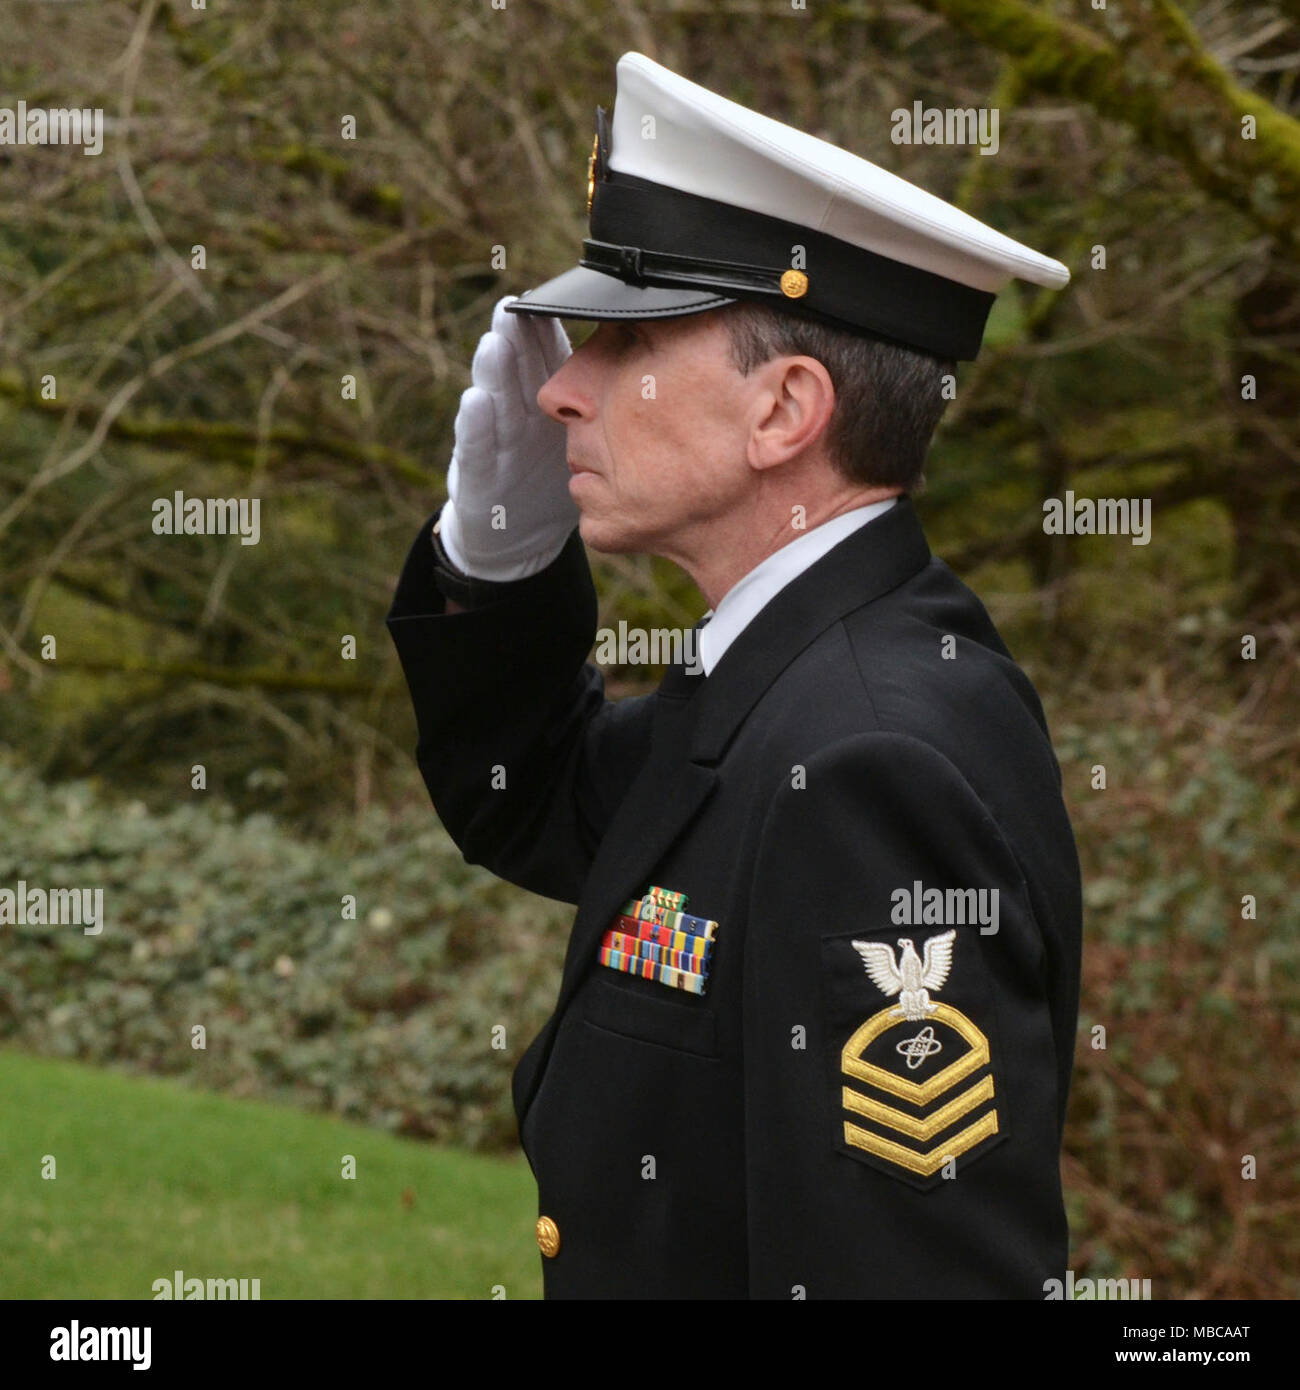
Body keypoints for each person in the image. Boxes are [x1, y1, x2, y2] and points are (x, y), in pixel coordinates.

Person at [387, 51, 1082, 1299]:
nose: (558, 386)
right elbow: (526, 795)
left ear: (783, 413)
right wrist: (497, 559)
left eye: (626, 336)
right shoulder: (787, 675)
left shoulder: (872, 758)